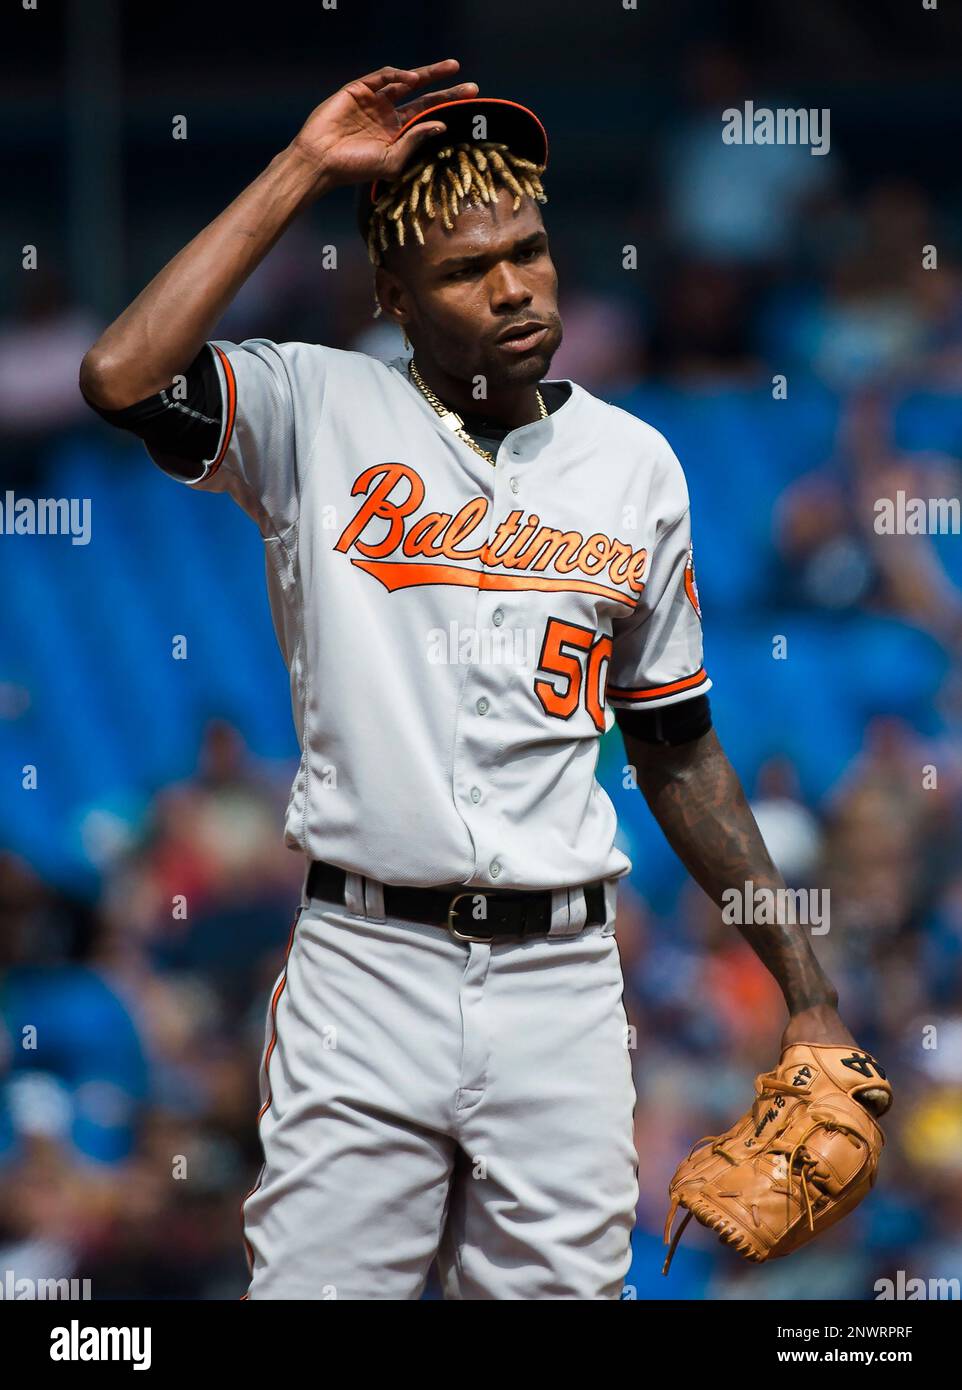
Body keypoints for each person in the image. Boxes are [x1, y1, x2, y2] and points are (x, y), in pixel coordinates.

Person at [79, 59, 866, 1301]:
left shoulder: (633, 463)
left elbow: (675, 745)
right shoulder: (311, 405)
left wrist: (806, 993)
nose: (512, 287)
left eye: (531, 252)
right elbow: (120, 376)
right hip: (363, 964)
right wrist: (299, 166)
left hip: (562, 980)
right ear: (392, 294)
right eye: (462, 269)